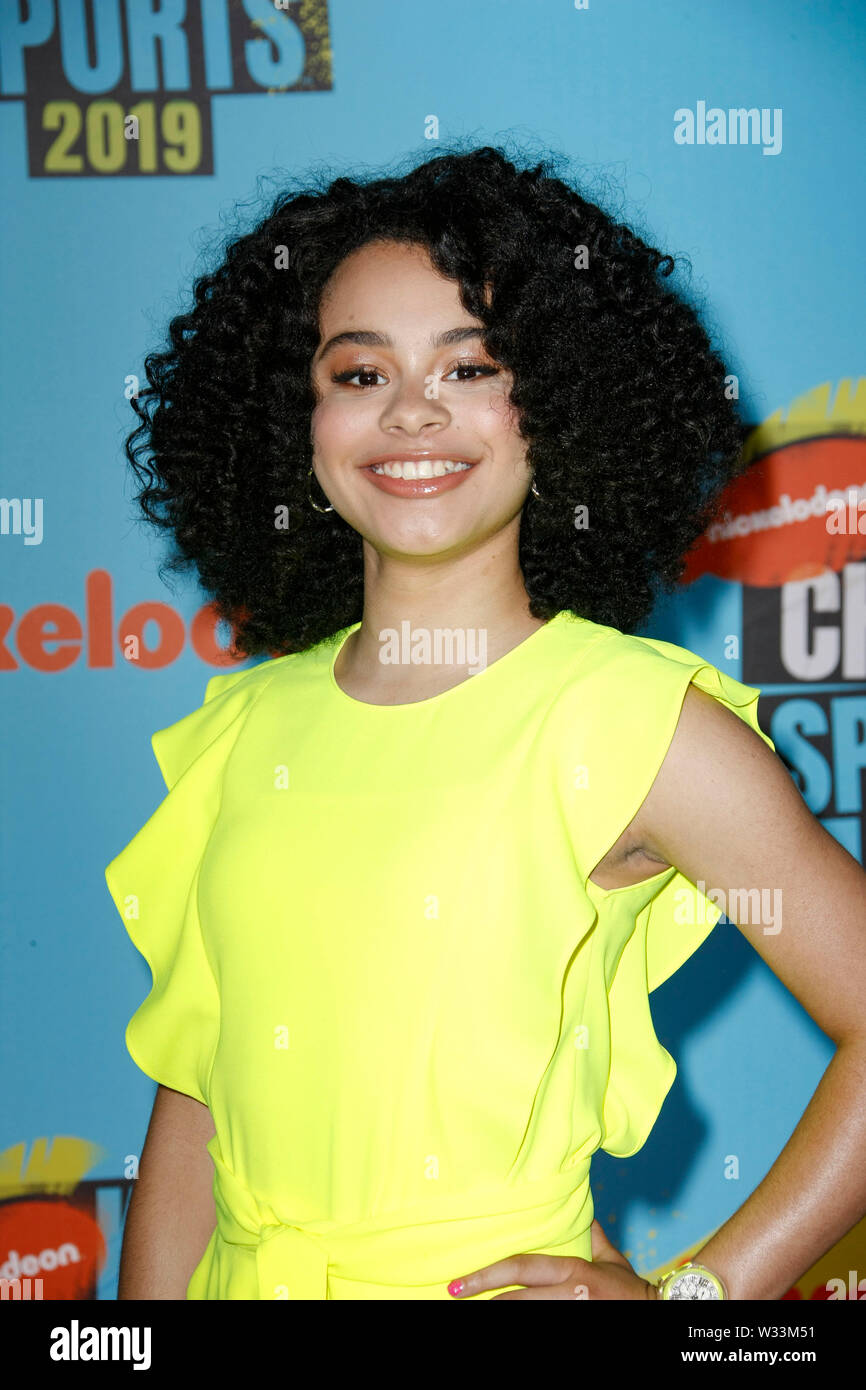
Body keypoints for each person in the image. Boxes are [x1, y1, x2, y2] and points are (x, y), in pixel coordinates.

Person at [107, 143, 866, 1301]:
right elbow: (197, 1105)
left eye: (470, 369)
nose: (411, 412)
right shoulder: (241, 732)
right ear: (294, 420)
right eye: (358, 374)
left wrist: (696, 1301)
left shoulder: (626, 721)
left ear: (554, 404)